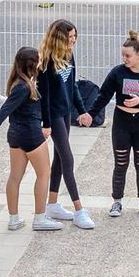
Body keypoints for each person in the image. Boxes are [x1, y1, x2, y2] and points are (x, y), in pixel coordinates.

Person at [0, 46, 59, 232]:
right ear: (31, 64)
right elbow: (5, 109)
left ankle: (14, 218)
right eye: (38, 60)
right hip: (31, 134)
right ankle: (39, 217)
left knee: (15, 177)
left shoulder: (18, 82)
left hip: (15, 135)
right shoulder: (24, 87)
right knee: (44, 174)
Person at [93, 31, 139, 219]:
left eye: (128, 56)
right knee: (120, 163)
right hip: (121, 124)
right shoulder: (118, 72)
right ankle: (116, 202)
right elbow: (103, 95)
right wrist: (89, 115)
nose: (125, 59)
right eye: (123, 56)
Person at [40, 19, 95, 230]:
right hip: (53, 115)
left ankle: (52, 203)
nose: (73, 41)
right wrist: (46, 123)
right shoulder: (45, 62)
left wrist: (82, 111)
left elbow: (72, 87)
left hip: (65, 113)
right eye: (69, 38)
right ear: (58, 38)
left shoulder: (69, 55)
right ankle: (79, 209)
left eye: (74, 37)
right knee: (68, 159)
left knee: (60, 160)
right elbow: (44, 96)